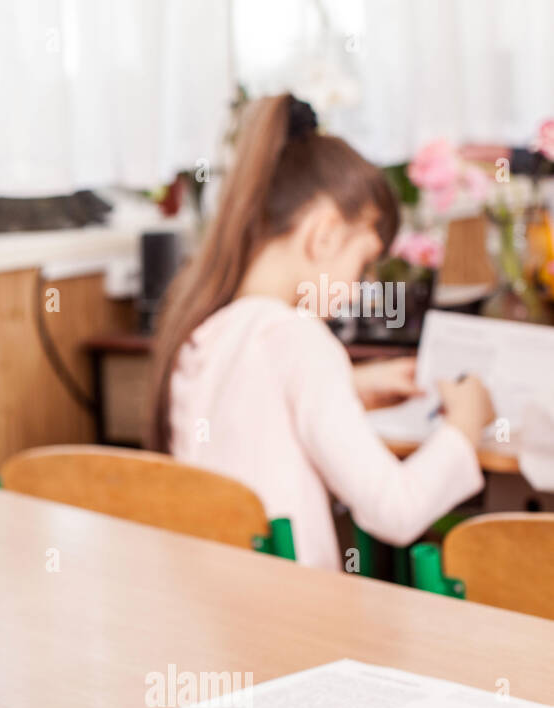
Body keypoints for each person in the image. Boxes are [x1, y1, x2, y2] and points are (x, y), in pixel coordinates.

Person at [148, 94, 495, 570]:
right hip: (294, 623)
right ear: (325, 234)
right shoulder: (301, 340)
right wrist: (465, 426)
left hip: (220, 617)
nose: (360, 287)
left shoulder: (204, 333)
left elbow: (249, 411)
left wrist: (353, 386)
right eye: (364, 262)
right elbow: (394, 509)